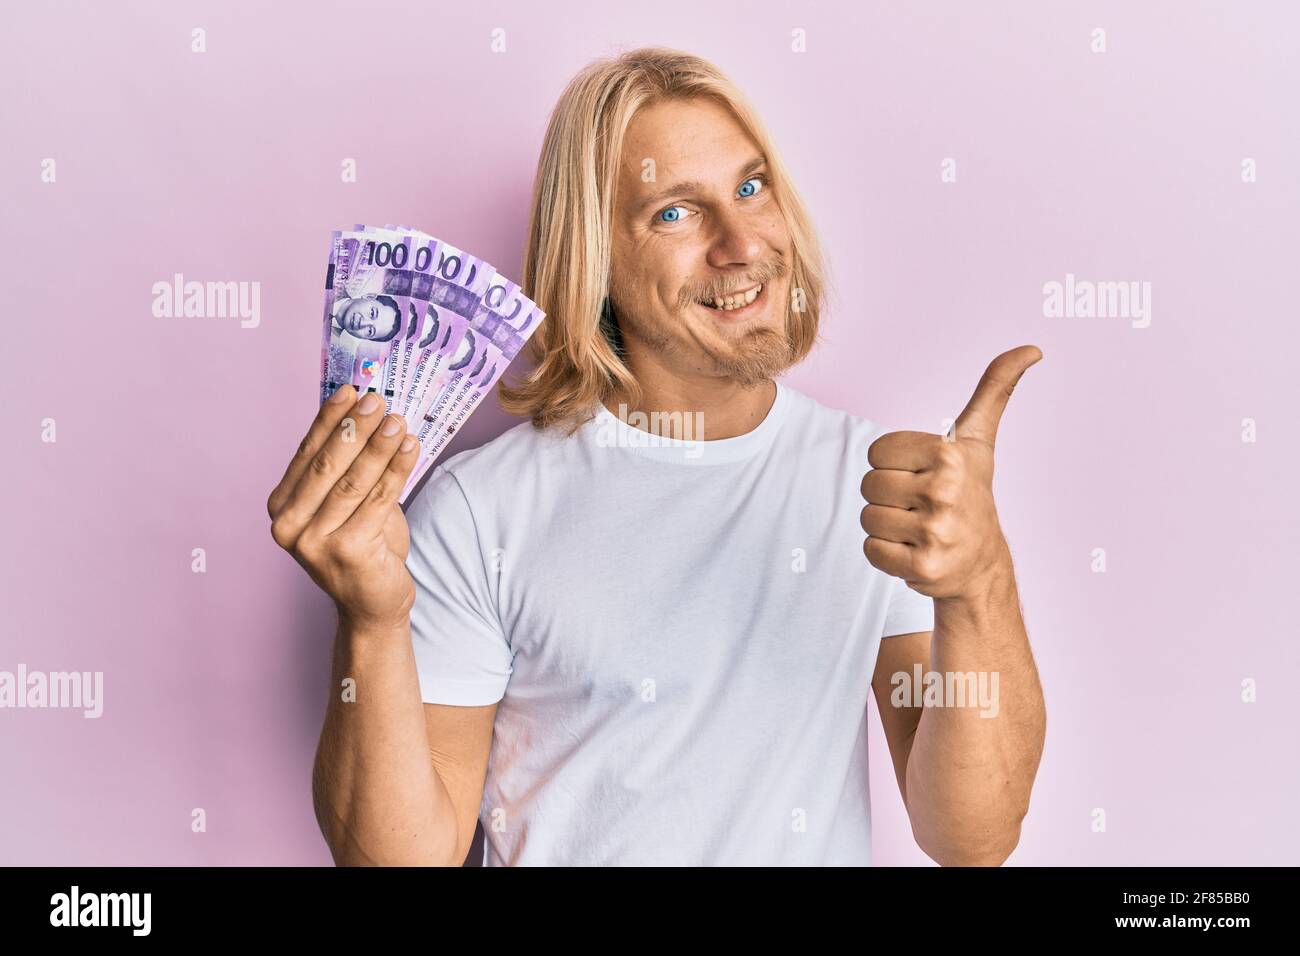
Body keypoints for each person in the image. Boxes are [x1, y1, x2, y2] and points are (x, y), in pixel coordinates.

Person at [268, 47, 1046, 866]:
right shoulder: (480, 511)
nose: (742, 243)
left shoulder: (876, 487)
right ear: (593, 263)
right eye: (675, 213)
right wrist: (373, 621)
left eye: (751, 188)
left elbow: (972, 838)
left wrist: (978, 585)